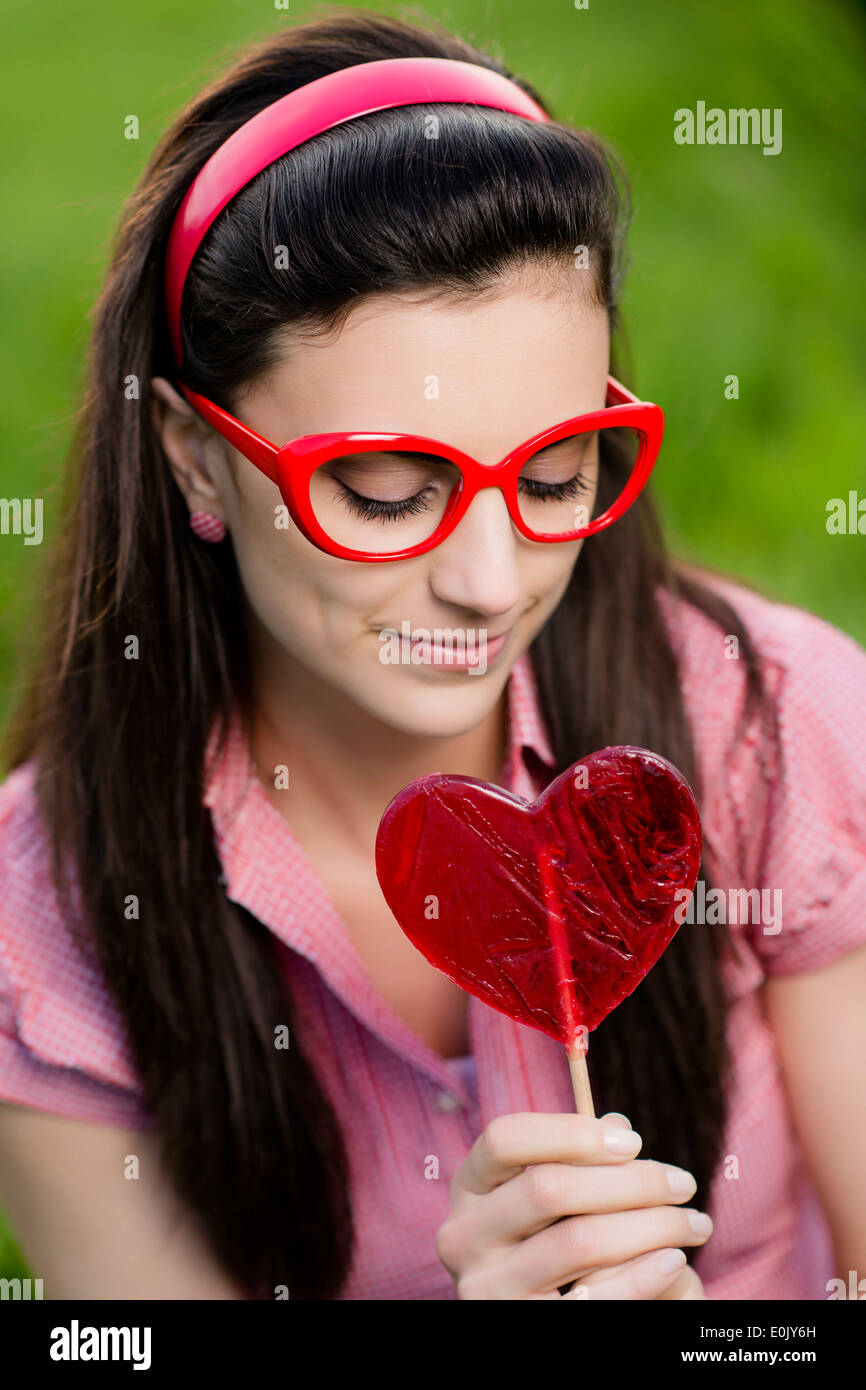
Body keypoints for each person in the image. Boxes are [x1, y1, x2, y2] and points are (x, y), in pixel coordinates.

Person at [0, 11, 864, 1302]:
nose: (487, 580)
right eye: (389, 491)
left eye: (554, 473)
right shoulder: (47, 923)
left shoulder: (770, 722)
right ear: (193, 454)